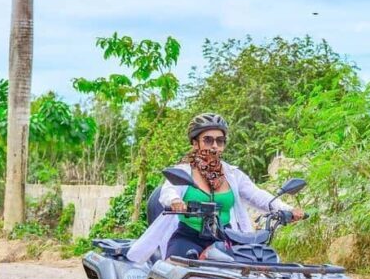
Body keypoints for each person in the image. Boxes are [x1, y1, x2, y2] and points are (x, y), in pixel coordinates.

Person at [127, 113, 304, 263]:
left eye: (219, 141)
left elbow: (258, 195)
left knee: (253, 273)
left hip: (226, 240)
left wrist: (287, 209)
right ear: (195, 143)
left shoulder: (232, 174)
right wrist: (175, 201)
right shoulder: (184, 171)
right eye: (208, 140)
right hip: (189, 238)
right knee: (172, 275)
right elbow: (169, 190)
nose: (214, 146)